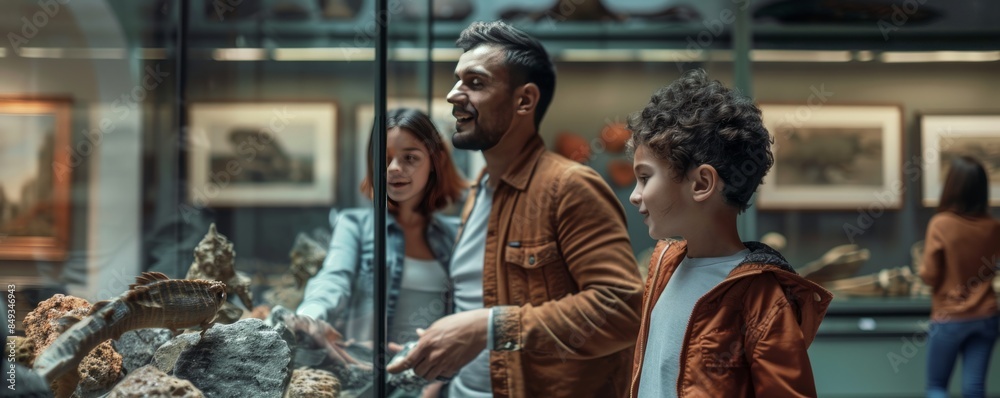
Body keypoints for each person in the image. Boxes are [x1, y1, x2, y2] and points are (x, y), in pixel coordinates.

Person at [386, 21, 644, 397]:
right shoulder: (481, 190)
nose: (453, 95)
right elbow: (478, 303)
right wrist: (441, 374)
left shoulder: (569, 187)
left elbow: (622, 309)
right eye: (457, 80)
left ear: (524, 100)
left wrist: (489, 327)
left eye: (475, 83)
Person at [625, 69, 833, 397]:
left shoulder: (760, 298)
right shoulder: (663, 265)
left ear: (702, 183)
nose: (635, 195)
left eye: (645, 177)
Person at [296, 108, 465, 396]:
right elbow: (333, 278)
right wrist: (310, 315)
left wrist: (439, 384)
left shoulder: (456, 233)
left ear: (434, 163)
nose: (395, 168)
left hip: (438, 383)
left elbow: (467, 314)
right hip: (369, 382)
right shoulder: (356, 225)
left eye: (409, 158)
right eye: (384, 159)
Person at [919, 155, 1000, 398]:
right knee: (974, 387)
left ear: (952, 186)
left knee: (937, 386)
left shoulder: (941, 224)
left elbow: (930, 275)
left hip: (950, 316)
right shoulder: (994, 226)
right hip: (986, 315)